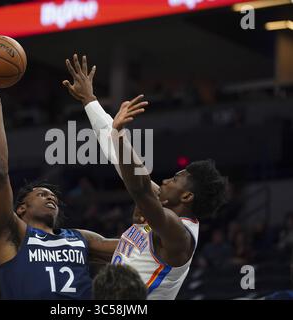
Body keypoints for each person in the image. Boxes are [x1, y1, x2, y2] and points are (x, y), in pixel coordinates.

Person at [63, 54, 227, 299]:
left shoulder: (178, 234)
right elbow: (121, 162)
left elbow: (139, 187)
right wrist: (90, 100)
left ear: (187, 195)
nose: (164, 181)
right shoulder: (160, 215)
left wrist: (120, 134)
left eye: (174, 179)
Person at [0, 64, 118, 300]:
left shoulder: (81, 238)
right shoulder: (13, 234)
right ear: (21, 208)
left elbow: (137, 250)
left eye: (53, 196)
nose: (51, 197)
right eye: (41, 194)